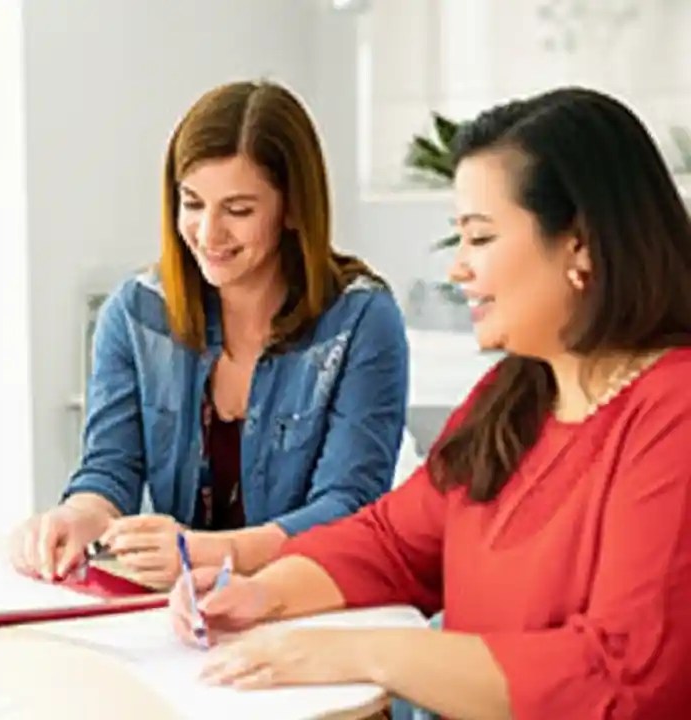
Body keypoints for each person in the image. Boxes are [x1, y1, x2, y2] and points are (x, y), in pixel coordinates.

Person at [169, 87, 691, 720]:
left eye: (480, 238)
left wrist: (364, 654)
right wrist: (261, 593)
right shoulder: (515, 397)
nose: (458, 270)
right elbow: (393, 541)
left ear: (580, 243)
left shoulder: (674, 414)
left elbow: (622, 678)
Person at [11, 79, 409, 588]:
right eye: (193, 203)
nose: (208, 233)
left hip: (305, 598)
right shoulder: (135, 314)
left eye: (238, 210)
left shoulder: (362, 321)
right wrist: (77, 516)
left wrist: (217, 553)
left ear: (293, 207)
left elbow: (349, 504)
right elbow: (110, 468)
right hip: (179, 608)